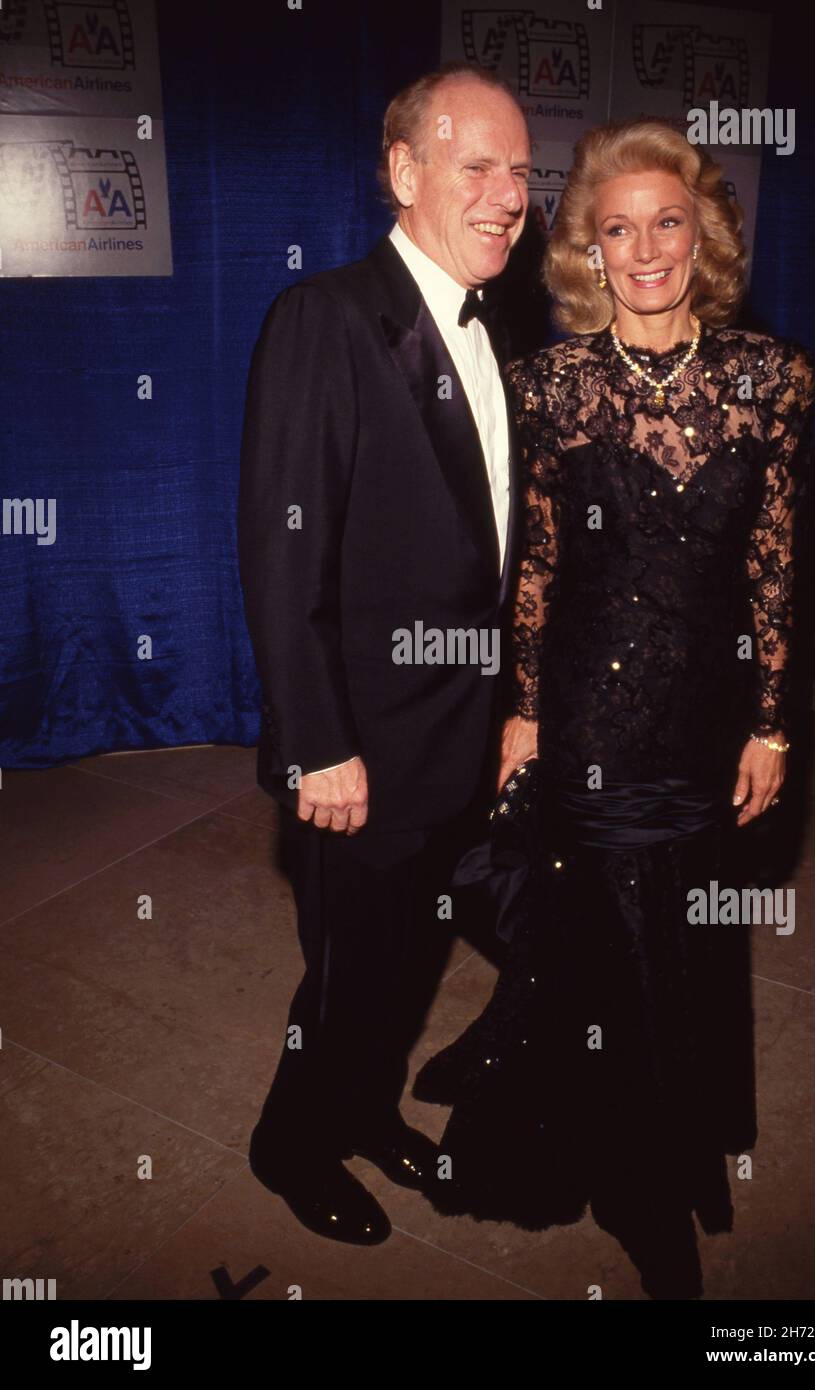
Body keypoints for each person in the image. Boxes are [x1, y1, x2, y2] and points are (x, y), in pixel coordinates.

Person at [414, 119, 815, 1297]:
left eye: (668, 223)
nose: (644, 250)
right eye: (617, 230)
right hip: (592, 718)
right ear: (589, 251)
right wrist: (525, 714)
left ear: (706, 238)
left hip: (709, 719)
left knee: (686, 941)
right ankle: (643, 1186)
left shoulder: (771, 377)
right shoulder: (550, 387)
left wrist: (772, 720)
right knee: (622, 947)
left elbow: (776, 567)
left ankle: (684, 1143)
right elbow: (537, 563)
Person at [236, 63, 532, 1244]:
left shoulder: (490, 326)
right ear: (406, 174)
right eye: (480, 167)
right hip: (360, 754)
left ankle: (358, 1112)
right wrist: (319, 746)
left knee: (403, 969)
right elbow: (278, 551)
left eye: (522, 171)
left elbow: (488, 553)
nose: (510, 194)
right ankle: (287, 1140)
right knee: (343, 979)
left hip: (456, 746)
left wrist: (514, 705)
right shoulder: (327, 318)